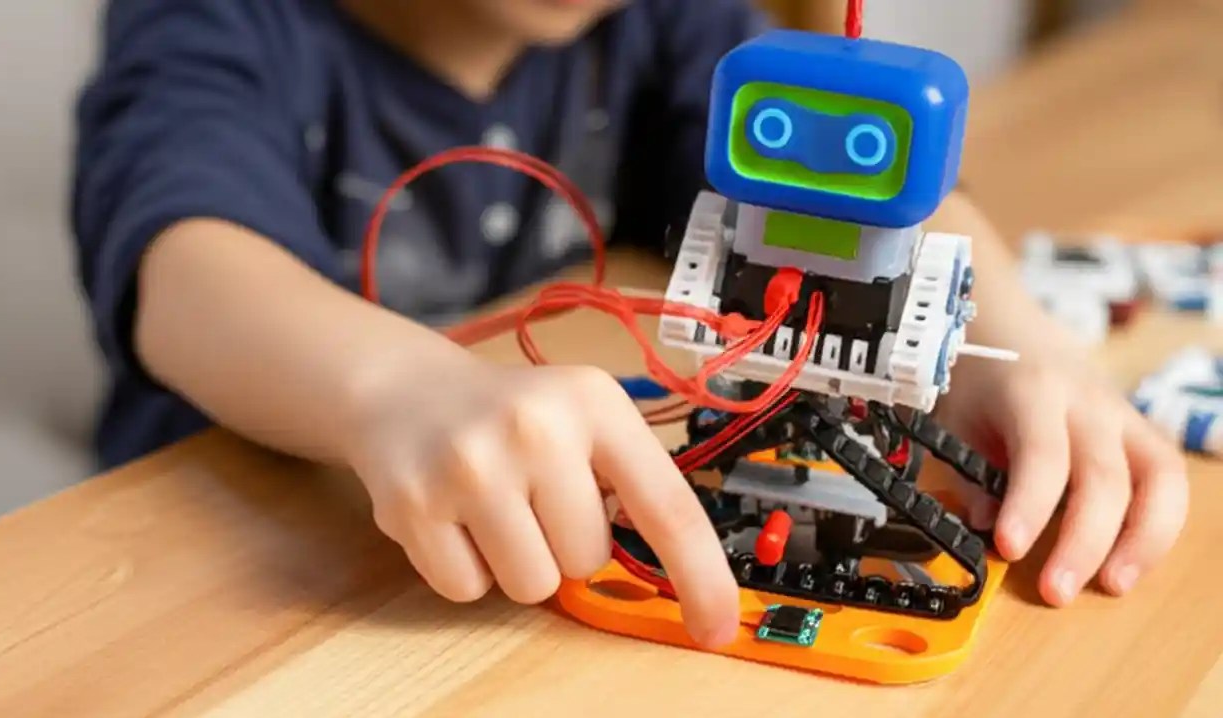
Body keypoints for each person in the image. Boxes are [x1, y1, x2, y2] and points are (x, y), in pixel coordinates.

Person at [71, 0, 1188, 649]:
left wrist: (1012, 343)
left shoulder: (655, 22)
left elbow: (870, 182)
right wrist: (393, 394)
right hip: (205, 553)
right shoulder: (215, 27)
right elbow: (183, 261)